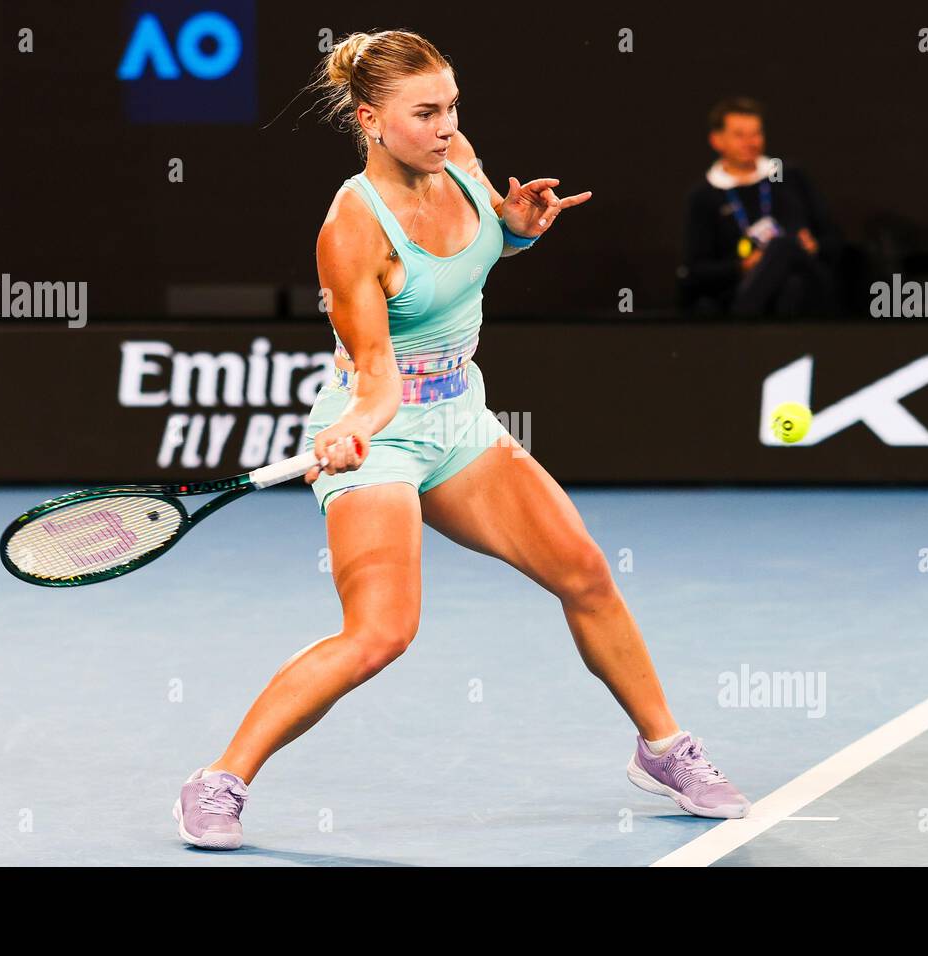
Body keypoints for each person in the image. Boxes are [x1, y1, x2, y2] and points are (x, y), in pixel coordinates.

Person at [172, 29, 751, 851]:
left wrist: (514, 228)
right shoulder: (351, 227)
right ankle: (219, 779)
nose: (446, 127)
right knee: (381, 633)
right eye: (425, 112)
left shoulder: (457, 159)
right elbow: (374, 376)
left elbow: (475, 258)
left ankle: (663, 749)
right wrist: (354, 433)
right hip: (382, 430)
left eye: (452, 107)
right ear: (372, 119)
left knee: (584, 571)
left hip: (462, 420)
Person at [681, 97, 840, 316]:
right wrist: (743, 266)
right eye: (740, 135)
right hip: (746, 288)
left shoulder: (785, 174)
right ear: (717, 140)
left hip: (808, 275)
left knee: (784, 248)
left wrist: (815, 246)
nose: (751, 142)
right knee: (790, 284)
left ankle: (742, 322)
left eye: (756, 133)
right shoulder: (705, 194)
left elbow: (834, 240)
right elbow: (697, 269)